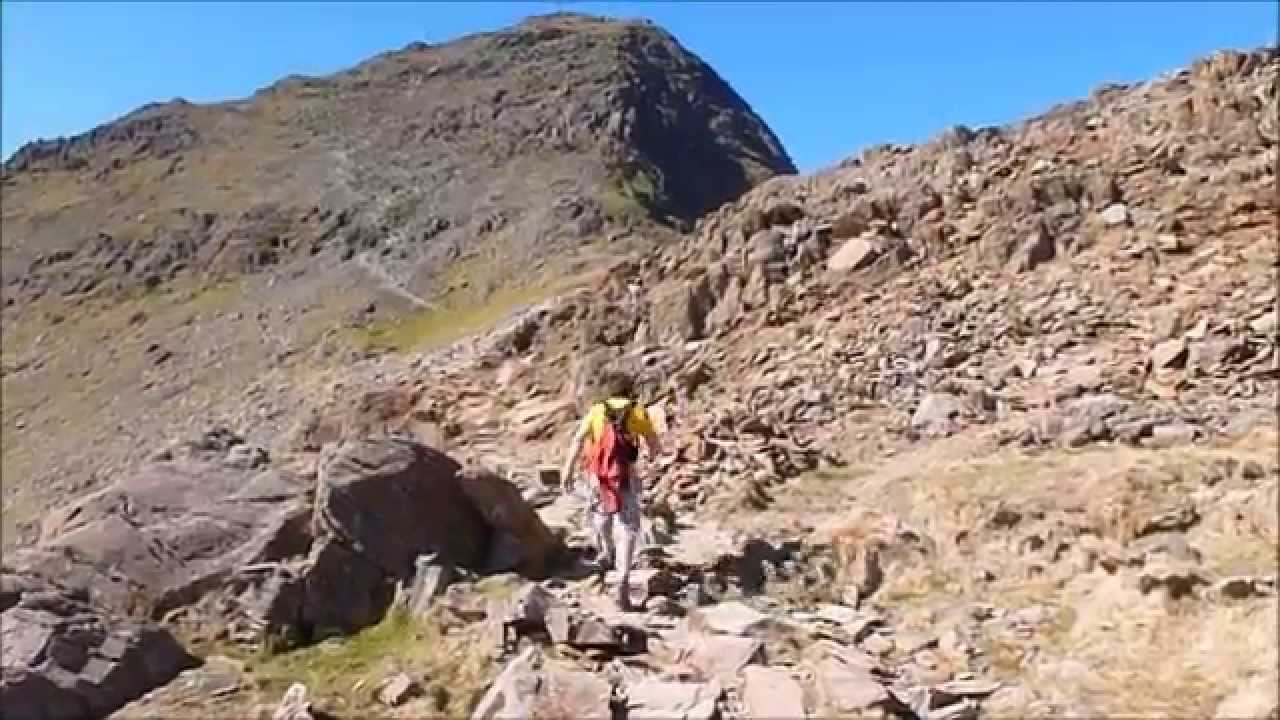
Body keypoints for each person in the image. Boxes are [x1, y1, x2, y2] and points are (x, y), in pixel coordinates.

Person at [560, 370, 662, 610]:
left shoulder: (597, 410)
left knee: (601, 516)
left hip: (598, 476)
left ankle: (606, 554)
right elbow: (654, 446)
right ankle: (623, 580)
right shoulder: (636, 411)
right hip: (625, 476)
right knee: (628, 528)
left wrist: (568, 468)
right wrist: (648, 459)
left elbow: (578, 439)